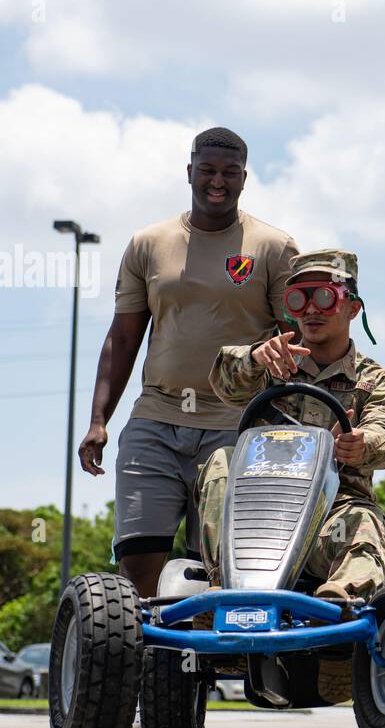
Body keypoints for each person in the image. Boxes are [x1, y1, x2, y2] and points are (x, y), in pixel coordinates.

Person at [78, 127, 299, 600]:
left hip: (235, 427)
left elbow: (295, 339)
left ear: (244, 178)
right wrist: (99, 420)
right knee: (138, 564)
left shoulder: (273, 246)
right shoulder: (148, 242)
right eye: (208, 170)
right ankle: (142, 667)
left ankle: (201, 670)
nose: (217, 182)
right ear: (190, 172)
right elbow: (123, 337)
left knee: (214, 567)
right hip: (157, 417)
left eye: (229, 173)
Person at [199, 250, 385, 700]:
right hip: (254, 522)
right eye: (298, 299)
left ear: (352, 307)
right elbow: (223, 379)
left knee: (367, 521)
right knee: (220, 462)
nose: (311, 310)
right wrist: (257, 357)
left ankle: (337, 615)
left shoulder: (377, 381)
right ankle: (226, 593)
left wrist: (362, 443)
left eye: (324, 297)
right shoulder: (273, 363)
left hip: (329, 521)